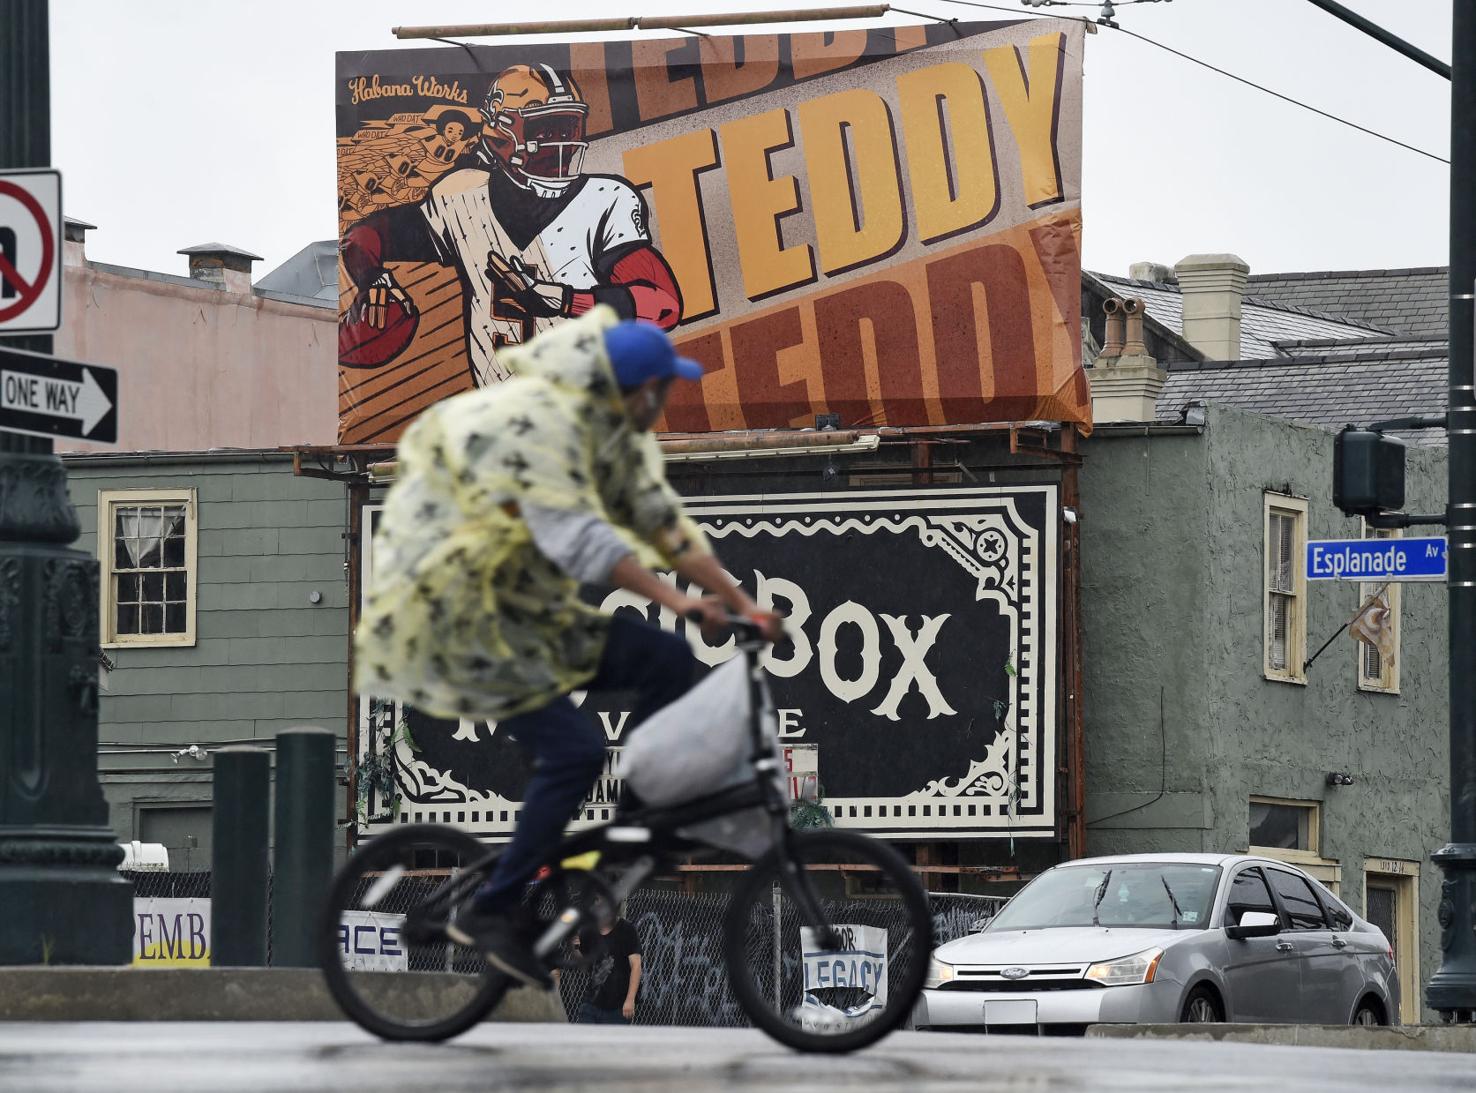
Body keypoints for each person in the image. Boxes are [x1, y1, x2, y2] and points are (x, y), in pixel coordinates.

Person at [354, 306, 781, 988]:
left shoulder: (610, 442)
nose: (666, 404)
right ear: (635, 390)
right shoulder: (547, 435)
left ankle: (635, 818)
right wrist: (678, 602)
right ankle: (494, 907)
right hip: (478, 621)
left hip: (539, 620)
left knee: (669, 660)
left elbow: (666, 528)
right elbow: (586, 544)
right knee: (576, 751)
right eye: (662, 391)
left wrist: (742, 603)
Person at [574, 915, 643, 1025]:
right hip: (591, 1003)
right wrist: (575, 948)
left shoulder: (627, 930)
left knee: (611, 1042)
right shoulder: (589, 930)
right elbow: (584, 967)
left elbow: (636, 966)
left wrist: (630, 1000)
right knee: (585, 1041)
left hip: (617, 1007)